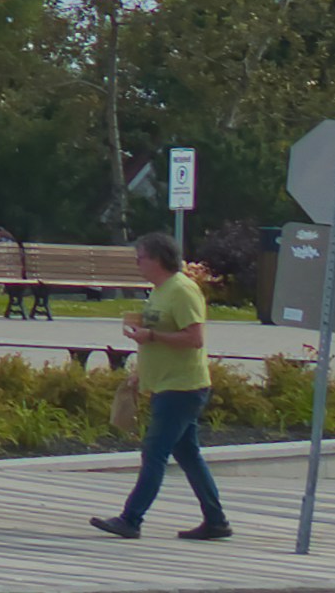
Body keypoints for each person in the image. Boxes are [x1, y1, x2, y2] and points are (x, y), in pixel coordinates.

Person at [88, 233, 228, 543]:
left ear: (158, 258)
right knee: (188, 455)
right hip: (165, 385)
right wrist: (141, 371)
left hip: (183, 388)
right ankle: (216, 521)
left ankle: (131, 519)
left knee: (154, 453)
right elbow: (159, 334)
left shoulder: (183, 291)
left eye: (140, 257)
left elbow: (195, 339)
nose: (137, 263)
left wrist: (151, 337)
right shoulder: (160, 291)